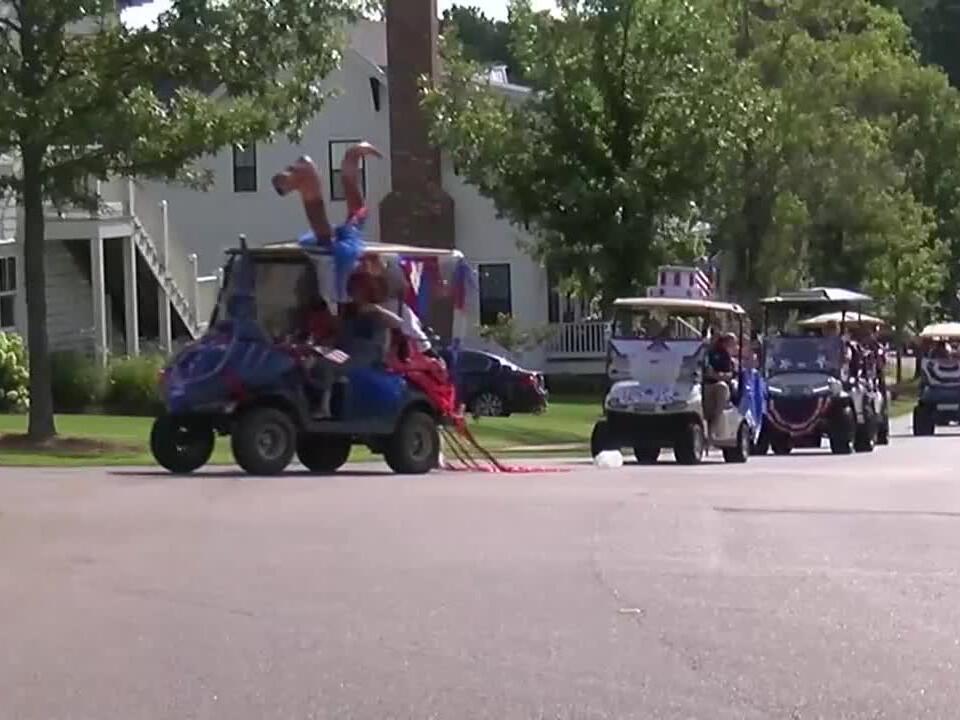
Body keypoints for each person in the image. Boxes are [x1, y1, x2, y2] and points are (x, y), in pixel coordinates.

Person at [704, 332, 737, 423]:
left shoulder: (728, 358)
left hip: (721, 384)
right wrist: (718, 375)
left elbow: (729, 375)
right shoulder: (710, 354)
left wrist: (718, 375)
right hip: (707, 383)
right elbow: (707, 372)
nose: (734, 346)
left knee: (722, 387)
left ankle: (716, 421)